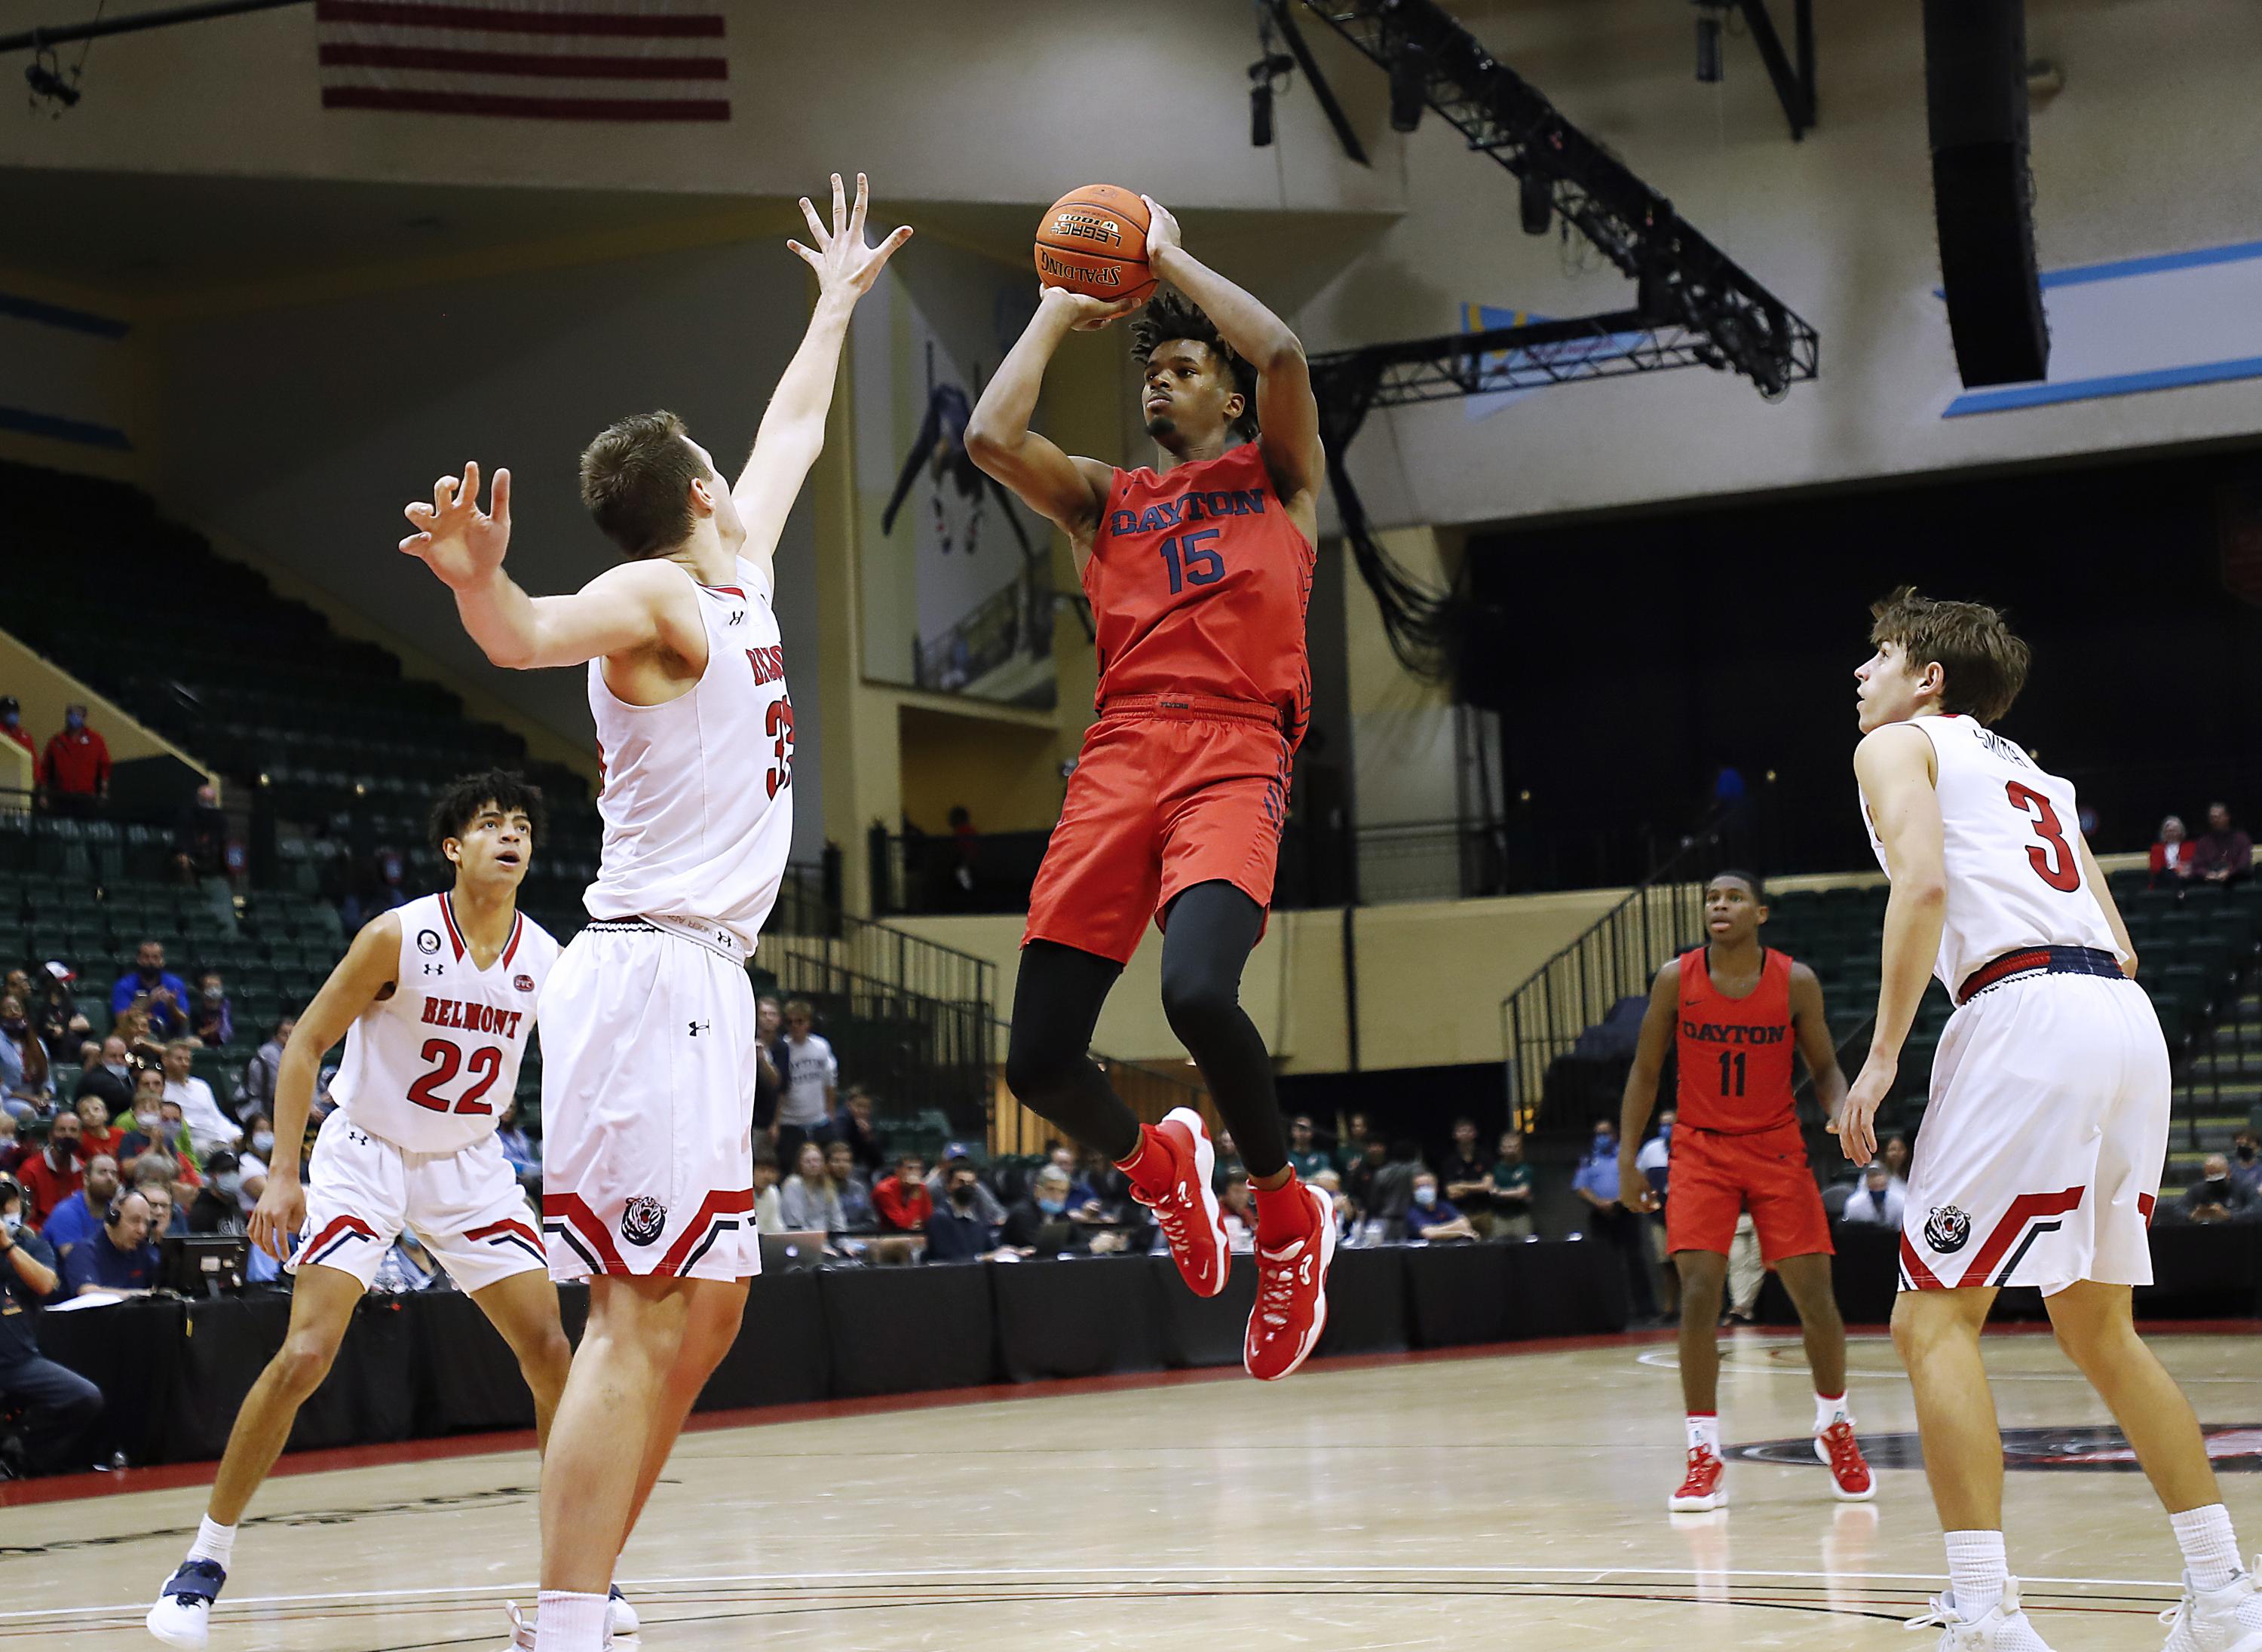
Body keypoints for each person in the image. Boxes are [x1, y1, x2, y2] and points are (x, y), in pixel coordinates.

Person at [393, 172, 904, 1652]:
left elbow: (793, 429)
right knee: (635, 1319)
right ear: (693, 494)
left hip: (698, 983)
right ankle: (563, 1619)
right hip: (646, 978)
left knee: (709, 1314)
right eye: (713, 465)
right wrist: (488, 595)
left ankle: (585, 1590)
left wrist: (832, 303)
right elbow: (539, 632)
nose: (736, 472)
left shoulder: (729, 566)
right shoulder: (656, 602)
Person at [1841, 587, 2262, 1652]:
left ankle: (1983, 1608)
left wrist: (1884, 1053)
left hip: (2024, 1011)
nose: (1861, 674)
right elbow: (2121, 944)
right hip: (2122, 1018)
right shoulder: (2039, 774)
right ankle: (2225, 1594)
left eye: (1879, 655)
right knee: (2097, 1323)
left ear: (1927, 679)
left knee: (1931, 1317)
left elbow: (1924, 885)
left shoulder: (1900, 745)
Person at [967, 197, 1333, 1382]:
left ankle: (1285, 1216)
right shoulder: (1102, 496)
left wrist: (1164, 256)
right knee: (1037, 1062)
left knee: (1196, 989)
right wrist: (1055, 307)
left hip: (1234, 747)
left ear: (1226, 396)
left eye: (1182, 368)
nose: (1158, 384)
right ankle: (1163, 1168)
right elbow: (986, 435)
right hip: (1120, 753)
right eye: (1151, 371)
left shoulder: (1278, 477)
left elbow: (1281, 349)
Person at [146, 774, 576, 1650]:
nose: (511, 837)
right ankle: (203, 1559)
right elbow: (305, 1042)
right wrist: (281, 1170)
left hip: (468, 1163)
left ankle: (576, 1582)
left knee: (552, 1351)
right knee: (306, 1354)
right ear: (453, 847)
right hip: (366, 1152)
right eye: (492, 825)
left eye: (523, 826)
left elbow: (578, 1072)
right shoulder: (399, 935)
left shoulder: (548, 958)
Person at [1617, 869, 1872, 1513]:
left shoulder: (1795, 981)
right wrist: (1627, 1157)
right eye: (1711, 897)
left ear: (1760, 913)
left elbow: (1824, 1068)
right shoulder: (1678, 978)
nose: (1719, 906)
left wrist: (1843, 1107)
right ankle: (1703, 1450)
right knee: (1700, 1290)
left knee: (1815, 1294)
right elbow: (1646, 1071)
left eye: (1732, 897)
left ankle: (1834, 1424)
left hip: (1775, 1145)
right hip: (1701, 1146)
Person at [0, 1172, 104, 1476]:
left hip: (20, 1362)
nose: (4, 1210)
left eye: (8, 1202)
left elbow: (46, 1284)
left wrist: (7, 1246)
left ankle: (24, 1455)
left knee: (85, 1397)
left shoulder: (32, 1245)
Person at [1573, 1119, 1657, 1321]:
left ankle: (1645, 1310)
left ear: (1614, 1135)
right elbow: (1580, 1187)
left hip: (1625, 1212)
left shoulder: (1625, 1157)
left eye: (1605, 1133)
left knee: (1634, 1261)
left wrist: (1618, 1201)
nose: (1601, 1138)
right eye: (1598, 1134)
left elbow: (1636, 1181)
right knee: (1605, 1263)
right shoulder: (1589, 1159)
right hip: (1600, 1215)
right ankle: (1610, 1310)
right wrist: (1599, 1202)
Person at [772, 998, 838, 1175]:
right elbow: (779, 1089)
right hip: (790, 1121)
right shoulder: (782, 1048)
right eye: (790, 1022)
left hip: (819, 1120)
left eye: (800, 1021)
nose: (795, 1026)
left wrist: (830, 1111)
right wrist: (776, 1123)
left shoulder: (821, 1047)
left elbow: (829, 1081)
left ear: (808, 1023)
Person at [61, 1185, 160, 1295]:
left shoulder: (143, 1252)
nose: (142, 1230)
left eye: (146, 1224)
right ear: (114, 1218)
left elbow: (165, 1287)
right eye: (134, 1221)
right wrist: (142, 1295)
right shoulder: (83, 1252)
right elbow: (89, 1293)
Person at [160, 1038, 240, 1160]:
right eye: (179, 1059)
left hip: (218, 1139)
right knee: (202, 1149)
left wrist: (236, 1134)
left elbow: (216, 1117)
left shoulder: (201, 1086)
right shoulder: (162, 1089)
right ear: (165, 1060)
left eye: (187, 1060)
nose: (184, 1063)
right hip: (194, 1143)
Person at [37, 1152, 119, 1259]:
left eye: (114, 1174)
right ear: (86, 1179)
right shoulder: (66, 1212)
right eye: (102, 1172)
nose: (110, 1178)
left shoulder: (115, 1214)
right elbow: (76, 1263)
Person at [924, 1156, 999, 1262]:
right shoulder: (939, 1218)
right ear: (949, 1186)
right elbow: (947, 1259)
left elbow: (990, 1249)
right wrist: (981, 1259)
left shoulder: (978, 1217)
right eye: (961, 1182)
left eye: (971, 1183)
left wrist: (1008, 1251)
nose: (967, 1187)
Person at [39, 703, 109, 816]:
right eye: (70, 714)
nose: (73, 717)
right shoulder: (56, 741)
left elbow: (104, 768)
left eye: (78, 714)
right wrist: (43, 795)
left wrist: (103, 792)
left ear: (84, 717)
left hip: (86, 798)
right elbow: (45, 771)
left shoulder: (96, 740)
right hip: (61, 797)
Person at [115, 942, 192, 1041]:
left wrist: (172, 1006)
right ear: (139, 960)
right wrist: (149, 1001)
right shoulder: (124, 985)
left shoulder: (175, 983)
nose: (151, 961)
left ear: (162, 961)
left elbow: (183, 1021)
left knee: (195, 1043)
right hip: (136, 1035)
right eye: (146, 957)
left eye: (155, 957)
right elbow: (122, 1022)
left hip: (170, 1036)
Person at [17, 1111, 83, 1228]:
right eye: (62, 1130)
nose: (67, 1135)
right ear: (50, 1136)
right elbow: (25, 1220)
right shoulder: (30, 1170)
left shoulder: (84, 1170)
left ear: (81, 1137)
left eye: (73, 1130)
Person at [1439, 1117, 1494, 1234]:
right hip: (1460, 1215)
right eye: (1461, 1131)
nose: (1465, 1134)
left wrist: (1462, 1185)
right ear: (1455, 1135)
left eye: (1469, 1131)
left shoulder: (1485, 1157)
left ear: (1475, 1133)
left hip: (1484, 1213)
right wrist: (1477, 1187)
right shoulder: (1450, 1161)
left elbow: (1487, 1187)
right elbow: (1451, 1192)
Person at [777, 1139, 844, 1233]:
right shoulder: (793, 1185)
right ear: (800, 1164)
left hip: (828, 1239)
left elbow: (837, 1219)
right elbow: (795, 1225)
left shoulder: (828, 1185)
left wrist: (843, 1242)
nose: (813, 1165)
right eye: (808, 1161)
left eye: (816, 1161)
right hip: (803, 1241)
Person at [2173, 1154, 2258, 1224]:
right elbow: (2178, 1210)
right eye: (2210, 1178)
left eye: (2218, 1177)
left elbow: (2256, 1210)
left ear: (2228, 1173)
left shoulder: (2244, 1186)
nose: (2215, 1182)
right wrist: (2192, 1216)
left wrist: (2229, 1216)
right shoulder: (2198, 1189)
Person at [823, 1083, 886, 1175]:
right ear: (848, 1105)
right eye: (859, 1106)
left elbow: (878, 1163)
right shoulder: (841, 1122)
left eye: (867, 1108)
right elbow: (838, 1151)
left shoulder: (868, 1124)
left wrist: (868, 1137)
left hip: (860, 1168)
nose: (863, 1111)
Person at [238, 1017, 294, 1121]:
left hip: (279, 1104)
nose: (289, 1038)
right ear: (275, 1036)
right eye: (285, 1034)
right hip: (255, 1105)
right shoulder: (270, 1052)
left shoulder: (294, 1053)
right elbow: (277, 1088)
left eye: (292, 1034)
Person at [2190, 801, 2254, 886]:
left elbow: (2244, 863)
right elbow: (2197, 865)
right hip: (2210, 884)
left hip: (2237, 883)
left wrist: (2229, 873)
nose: (2215, 820)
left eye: (2218, 817)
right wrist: (2206, 873)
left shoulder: (2241, 838)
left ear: (2227, 817)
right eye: (2212, 818)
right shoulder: (2203, 842)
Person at [1405, 1170, 1478, 1242]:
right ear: (1414, 1191)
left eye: (1428, 1186)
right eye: (1420, 1187)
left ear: (1436, 1189)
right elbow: (1429, 1234)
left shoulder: (1445, 1206)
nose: (1424, 1190)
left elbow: (1464, 1224)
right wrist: (1460, 1233)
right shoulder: (1413, 1212)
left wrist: (1436, 1230)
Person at [75, 1034, 137, 1117]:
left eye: (122, 1056)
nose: (118, 1061)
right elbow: (127, 1099)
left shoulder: (126, 1078)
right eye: (113, 1056)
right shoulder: (96, 1078)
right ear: (100, 1058)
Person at [1491, 1131, 1536, 1241]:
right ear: (1501, 1149)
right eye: (1507, 1147)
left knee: (1525, 1249)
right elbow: (1491, 1190)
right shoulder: (1495, 1169)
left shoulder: (1526, 1169)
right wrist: (1513, 1192)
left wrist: (1500, 1193)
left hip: (1521, 1216)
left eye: (1514, 1147)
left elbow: (1522, 1193)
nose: (1511, 1150)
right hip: (1499, 1217)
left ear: (1520, 1148)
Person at [825, 1139, 875, 1233]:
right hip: (832, 1239)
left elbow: (872, 1222)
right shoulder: (820, 1190)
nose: (842, 1165)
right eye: (836, 1161)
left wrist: (848, 1232)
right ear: (826, 1164)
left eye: (846, 1161)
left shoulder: (860, 1188)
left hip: (861, 1237)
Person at [874, 1152, 930, 1234]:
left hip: (916, 1236)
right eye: (910, 1168)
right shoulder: (884, 1191)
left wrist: (920, 1224)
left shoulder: (921, 1187)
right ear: (897, 1171)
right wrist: (915, 1194)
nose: (915, 1173)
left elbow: (928, 1219)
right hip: (887, 1237)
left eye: (919, 1169)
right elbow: (905, 1226)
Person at [1842, 1163, 1908, 1228]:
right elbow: (1851, 1230)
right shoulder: (1853, 1204)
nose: (1876, 1179)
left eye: (1879, 1174)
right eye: (1871, 1176)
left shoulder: (1901, 1202)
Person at [2150, 816, 2196, 889]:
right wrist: (2176, 870)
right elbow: (2156, 869)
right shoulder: (2156, 849)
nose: (2171, 833)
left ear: (2180, 832)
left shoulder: (2190, 846)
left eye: (2174, 830)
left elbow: (2193, 863)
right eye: (2168, 831)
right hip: (2164, 881)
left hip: (2186, 880)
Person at [191, 973, 234, 1050]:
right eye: (210, 986)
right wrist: (208, 1031)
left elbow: (230, 1032)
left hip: (224, 1046)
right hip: (202, 1045)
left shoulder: (226, 1009)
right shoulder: (196, 1010)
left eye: (217, 986)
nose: (213, 989)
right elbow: (193, 1033)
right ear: (203, 989)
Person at [1285, 1115, 1331, 1181]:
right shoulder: (1285, 1158)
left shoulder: (1322, 1157)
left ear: (1312, 1132)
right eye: (1300, 1129)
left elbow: (1329, 1179)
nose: (1303, 1133)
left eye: (1306, 1129)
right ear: (1292, 1132)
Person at [2231, 1130, 2262, 1200]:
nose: (2243, 1147)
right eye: (2240, 1144)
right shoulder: (2229, 1170)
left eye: (2247, 1144)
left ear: (2257, 1148)